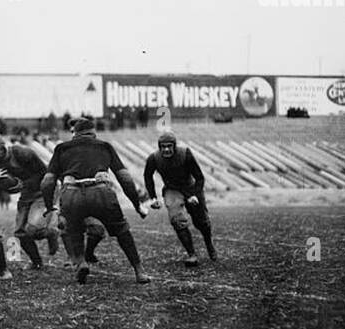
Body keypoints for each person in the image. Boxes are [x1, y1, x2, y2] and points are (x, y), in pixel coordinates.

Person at [42, 115, 151, 285]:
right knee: (122, 231)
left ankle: (81, 263)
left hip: (72, 194)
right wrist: (137, 205)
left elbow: (47, 182)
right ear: (93, 133)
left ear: (75, 134)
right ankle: (139, 271)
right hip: (100, 192)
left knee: (74, 230)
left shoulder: (61, 148)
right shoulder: (105, 146)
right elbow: (125, 178)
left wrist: (49, 207)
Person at [0, 132, 59, 270]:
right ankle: (37, 262)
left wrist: (23, 184)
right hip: (27, 194)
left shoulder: (21, 153)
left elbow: (45, 174)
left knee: (32, 229)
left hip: (42, 191)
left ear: (1, 147)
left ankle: (51, 232)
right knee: (20, 234)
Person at [143, 131, 216, 266]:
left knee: (202, 222)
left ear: (174, 146)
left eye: (169, 146)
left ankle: (209, 243)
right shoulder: (154, 158)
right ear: (159, 147)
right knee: (177, 219)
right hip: (172, 189)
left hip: (190, 187)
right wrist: (153, 197)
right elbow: (148, 176)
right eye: (163, 146)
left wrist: (194, 194)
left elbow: (200, 177)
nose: (166, 149)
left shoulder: (185, 154)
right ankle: (191, 254)